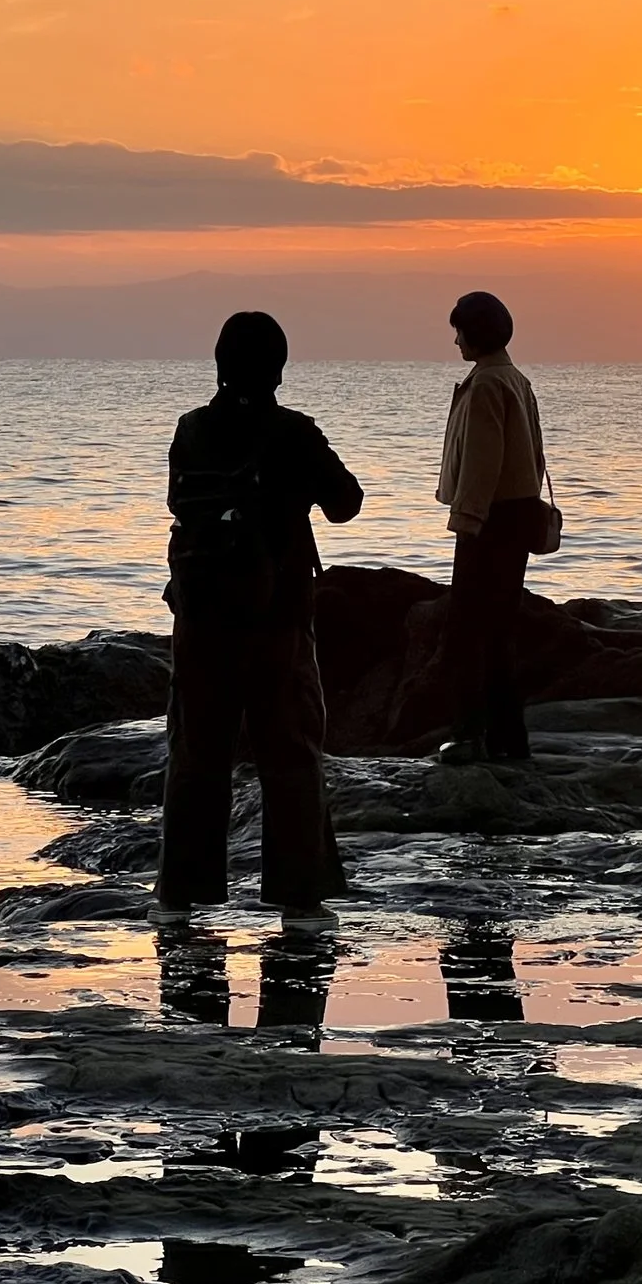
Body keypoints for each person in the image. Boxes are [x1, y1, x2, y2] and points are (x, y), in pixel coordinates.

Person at [156, 311, 363, 923]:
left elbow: (177, 501)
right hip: (278, 617)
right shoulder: (295, 432)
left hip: (201, 615)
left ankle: (179, 897)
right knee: (290, 753)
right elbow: (346, 503)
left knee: (196, 752)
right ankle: (299, 899)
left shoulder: (191, 429)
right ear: (278, 369)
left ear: (219, 363)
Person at [431, 290, 549, 766]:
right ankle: (509, 738)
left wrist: (467, 520)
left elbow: (482, 463)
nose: (455, 340)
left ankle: (469, 735)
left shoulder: (484, 385)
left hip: (489, 520)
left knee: (466, 631)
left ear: (474, 333)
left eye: (459, 331)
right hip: (518, 514)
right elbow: (534, 455)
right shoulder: (516, 379)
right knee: (499, 632)